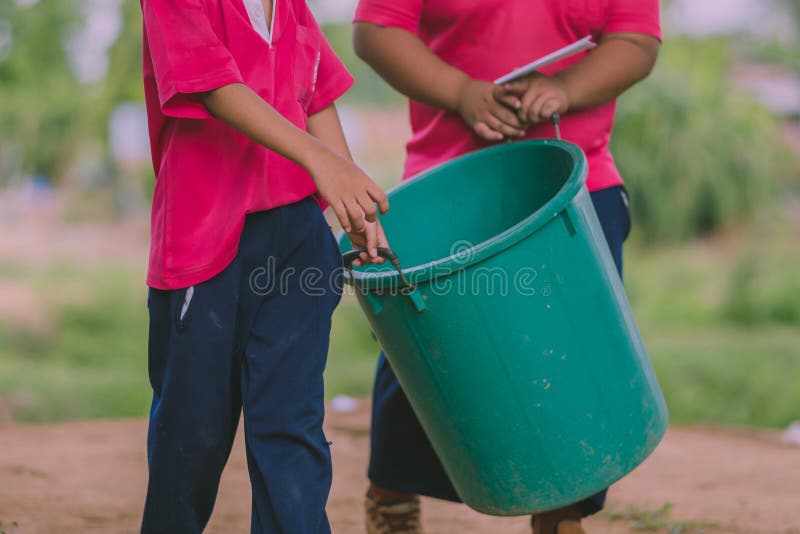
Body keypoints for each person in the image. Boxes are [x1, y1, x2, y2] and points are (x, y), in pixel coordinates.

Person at [352, 1, 661, 533]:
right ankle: (393, 495)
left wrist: (568, 88)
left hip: (578, 185)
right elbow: (376, 30)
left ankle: (561, 513)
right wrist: (460, 92)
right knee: (427, 354)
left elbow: (636, 39)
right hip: (448, 189)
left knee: (573, 357)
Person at [139, 0, 389, 532]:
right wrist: (322, 163)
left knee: (292, 426)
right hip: (205, 237)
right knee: (192, 436)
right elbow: (212, 84)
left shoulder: (290, 6)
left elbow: (317, 93)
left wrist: (354, 202)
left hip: (297, 236)